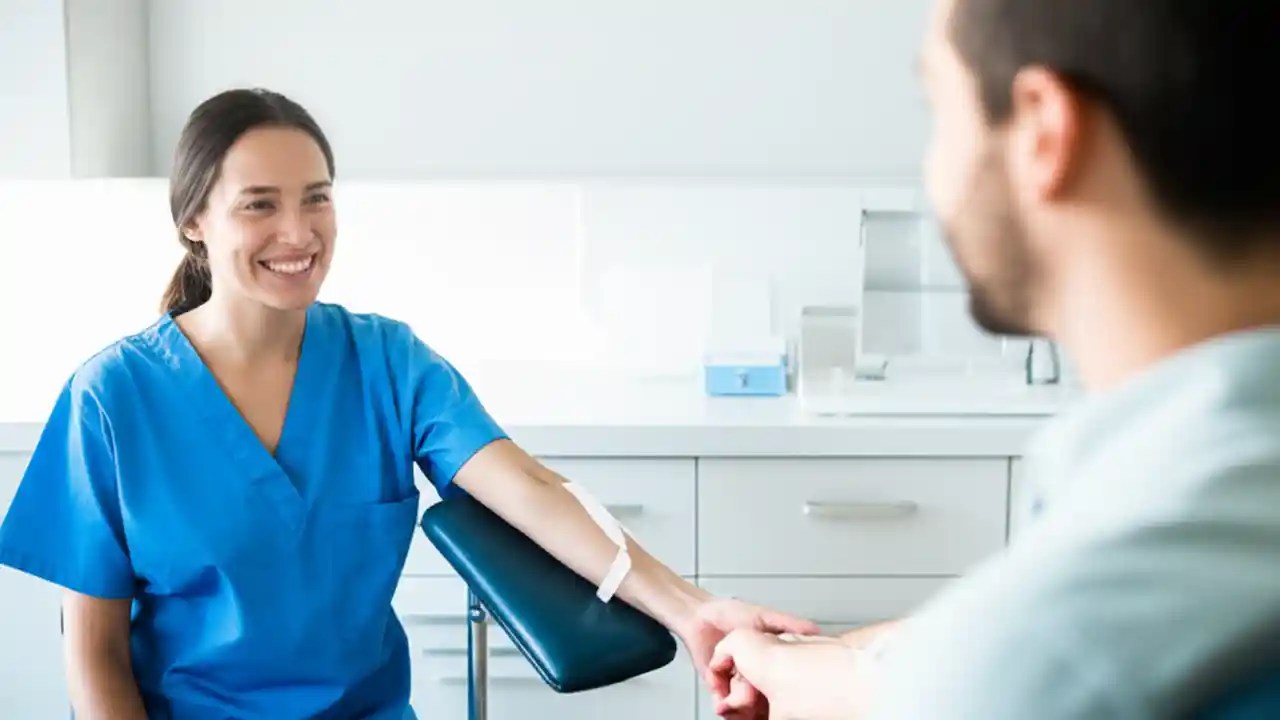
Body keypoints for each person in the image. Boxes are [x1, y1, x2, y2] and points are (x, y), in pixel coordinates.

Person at [0, 88, 817, 719]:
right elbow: (95, 655)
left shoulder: (386, 363)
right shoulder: (114, 398)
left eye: (317, 197)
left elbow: (528, 487)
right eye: (260, 203)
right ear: (193, 223)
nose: (299, 232)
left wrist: (693, 610)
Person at [709, 0, 1280, 718]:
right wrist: (809, 661)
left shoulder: (1044, 654)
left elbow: (1011, 664)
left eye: (940, 111)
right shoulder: (1208, 533)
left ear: (1044, 131)